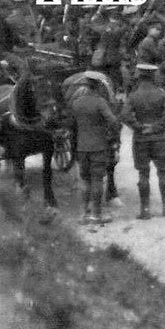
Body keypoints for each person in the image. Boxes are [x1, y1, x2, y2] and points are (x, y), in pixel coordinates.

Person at [121, 62, 165, 219]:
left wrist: (139, 127)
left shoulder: (134, 95)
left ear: (139, 76)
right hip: (160, 138)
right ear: (153, 76)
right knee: (163, 171)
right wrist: (157, 127)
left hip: (141, 139)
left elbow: (125, 115)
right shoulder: (161, 94)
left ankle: (145, 210)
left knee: (143, 173)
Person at [66, 74, 122, 226]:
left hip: (81, 148)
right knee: (97, 180)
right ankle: (96, 215)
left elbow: (71, 124)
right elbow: (113, 122)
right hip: (98, 147)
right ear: (98, 86)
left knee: (84, 180)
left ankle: (84, 214)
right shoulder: (100, 102)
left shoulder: (76, 103)